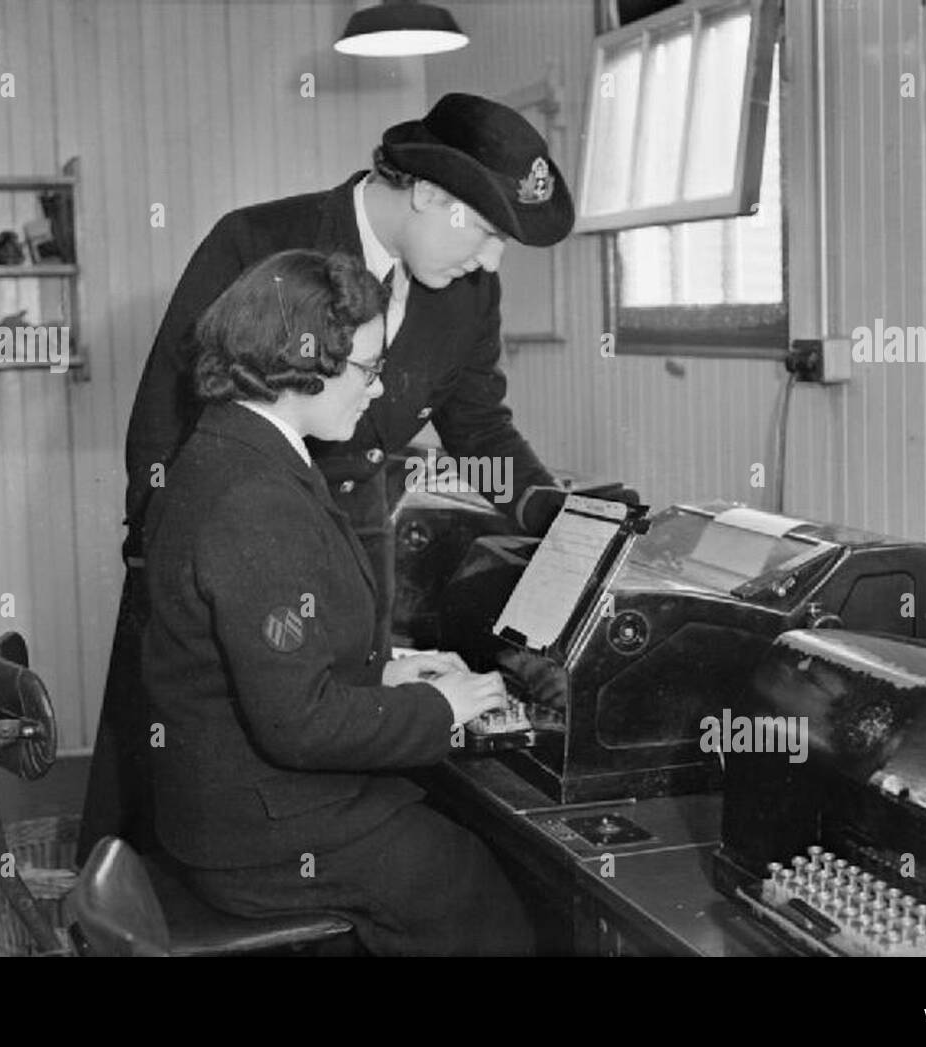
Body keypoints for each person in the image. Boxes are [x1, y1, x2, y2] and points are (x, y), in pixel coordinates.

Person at [79, 92, 586, 861]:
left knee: (343, 798)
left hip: (354, 559)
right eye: (485, 230)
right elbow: (162, 419)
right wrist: (168, 573)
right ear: (426, 191)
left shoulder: (471, 293)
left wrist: (563, 524)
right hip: (226, 561)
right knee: (181, 819)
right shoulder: (257, 241)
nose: (489, 260)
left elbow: (481, 429)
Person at [141, 248, 534, 955]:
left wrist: (386, 672)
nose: (378, 391)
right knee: (476, 886)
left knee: (448, 837)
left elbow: (274, 653)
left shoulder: (236, 450)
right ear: (301, 364)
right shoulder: (252, 496)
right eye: (367, 368)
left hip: (233, 805)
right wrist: (446, 707)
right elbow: (299, 724)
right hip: (260, 833)